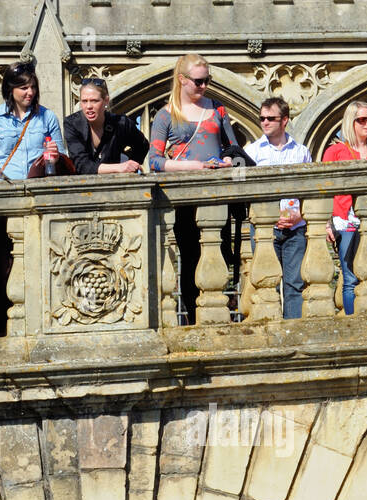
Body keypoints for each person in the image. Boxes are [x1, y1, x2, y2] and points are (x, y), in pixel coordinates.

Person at [147, 53, 241, 325]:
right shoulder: (166, 116)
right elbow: (154, 161)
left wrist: (226, 162)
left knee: (221, 256)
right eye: (199, 81)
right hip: (184, 199)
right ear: (182, 80)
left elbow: (234, 152)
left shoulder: (218, 110)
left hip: (216, 197)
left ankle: (220, 314)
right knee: (189, 258)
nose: (204, 87)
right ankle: (192, 317)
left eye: (207, 80)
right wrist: (196, 166)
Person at [0, 61, 68, 331]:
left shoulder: (46, 117)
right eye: (23, 88)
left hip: (38, 200)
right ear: (10, 89)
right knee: (5, 266)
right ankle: (3, 327)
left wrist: (54, 156)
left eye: (33, 87)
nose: (30, 92)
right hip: (5, 199)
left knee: (41, 265)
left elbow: (64, 160)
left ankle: (39, 325)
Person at [321, 102, 367, 315]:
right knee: (350, 277)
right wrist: (327, 223)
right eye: (362, 119)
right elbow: (324, 190)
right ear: (350, 122)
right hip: (345, 221)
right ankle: (353, 321)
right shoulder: (335, 152)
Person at [244, 96, 312, 319]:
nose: (264, 122)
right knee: (266, 285)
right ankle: (271, 331)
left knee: (295, 284)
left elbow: (309, 190)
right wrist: (270, 218)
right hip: (266, 228)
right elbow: (244, 192)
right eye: (262, 118)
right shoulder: (252, 152)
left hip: (295, 227)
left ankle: (292, 331)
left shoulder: (300, 152)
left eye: (270, 118)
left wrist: (298, 215)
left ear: (284, 120)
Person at [64, 77, 149, 175]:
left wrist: (132, 165)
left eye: (94, 101)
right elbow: (82, 165)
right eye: (84, 101)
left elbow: (143, 145)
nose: (88, 106)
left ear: (106, 100)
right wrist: (120, 167)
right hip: (82, 186)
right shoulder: (72, 123)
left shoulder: (121, 123)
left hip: (114, 185)